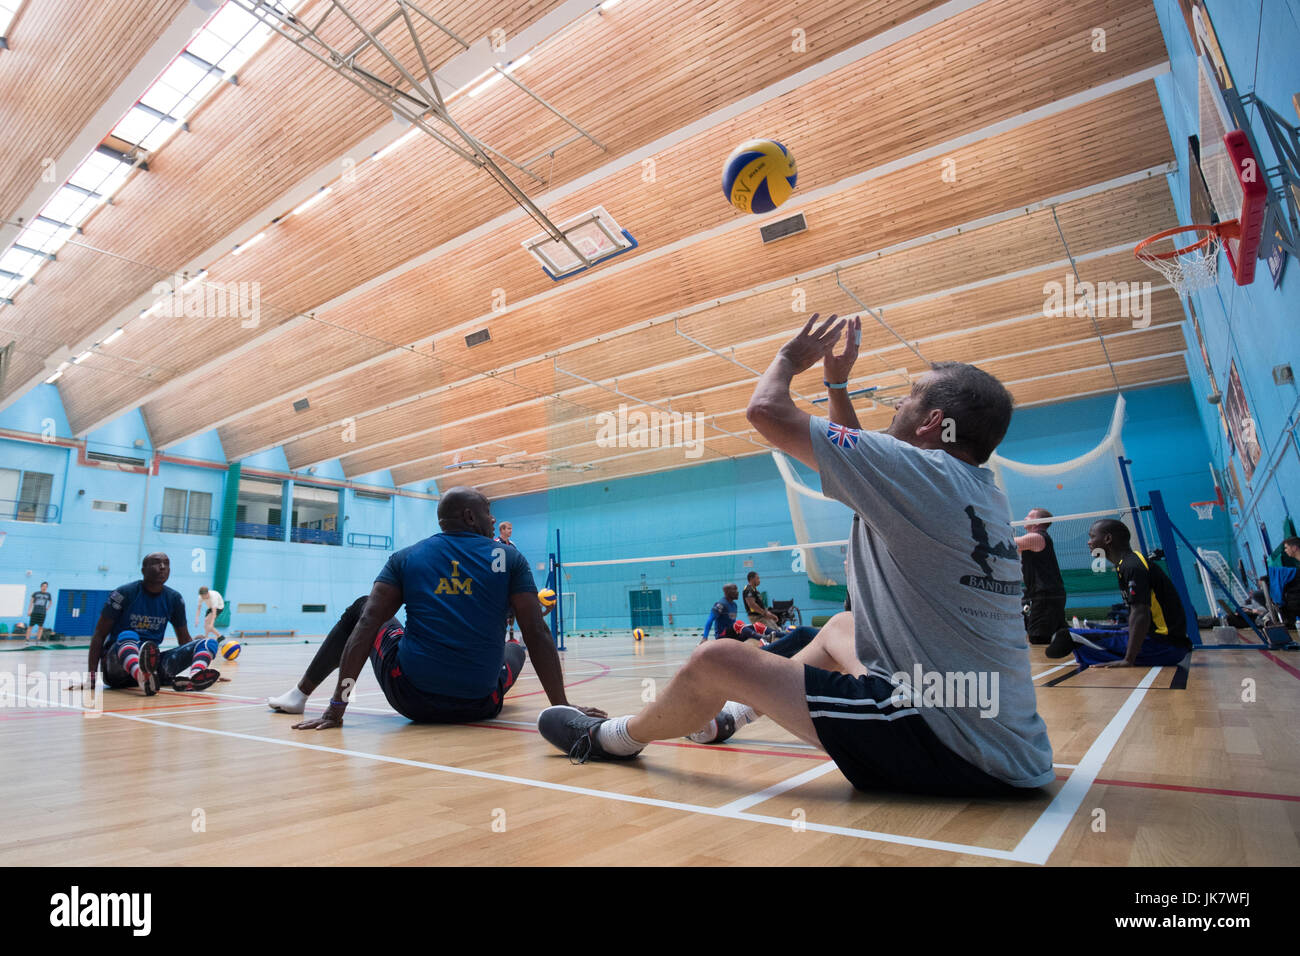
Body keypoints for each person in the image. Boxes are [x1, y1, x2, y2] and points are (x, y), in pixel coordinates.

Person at [537, 314, 1054, 797]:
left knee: (715, 659)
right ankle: (727, 720)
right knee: (838, 629)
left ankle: (611, 738)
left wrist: (789, 357)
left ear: (932, 422)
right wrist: (835, 386)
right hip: (1010, 746)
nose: (897, 405)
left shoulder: (920, 474)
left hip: (946, 746)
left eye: (909, 398)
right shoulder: (977, 492)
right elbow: (857, 464)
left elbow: (765, 410)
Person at [271, 487, 603, 727]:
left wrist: (336, 707)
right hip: (481, 705)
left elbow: (368, 625)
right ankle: (300, 694)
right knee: (515, 649)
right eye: (489, 513)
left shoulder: (407, 557)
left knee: (364, 609)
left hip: (412, 699)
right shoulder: (508, 557)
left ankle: (301, 694)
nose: (493, 521)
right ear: (471, 516)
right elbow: (537, 632)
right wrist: (563, 708)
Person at [1047, 520, 1192, 667]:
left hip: (1163, 645)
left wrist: (1128, 660)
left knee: (1070, 636)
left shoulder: (1132, 566)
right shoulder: (1126, 564)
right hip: (1166, 644)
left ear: (1108, 539)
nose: (1088, 542)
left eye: (1092, 537)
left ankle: (1126, 656)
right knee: (1098, 630)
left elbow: (1140, 613)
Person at [86, 553, 221, 695]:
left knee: (207, 643)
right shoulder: (123, 593)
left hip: (153, 668)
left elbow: (184, 640)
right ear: (143, 570)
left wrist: (202, 663)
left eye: (166, 563)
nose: (162, 567)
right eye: (156, 563)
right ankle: (141, 676)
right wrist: (92, 678)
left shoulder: (174, 599)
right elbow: (99, 635)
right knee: (128, 635)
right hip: (117, 668)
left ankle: (195, 677)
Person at [1015, 508, 1069, 646]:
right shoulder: (1033, 540)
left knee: (1038, 637)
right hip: (1047, 593)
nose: (1025, 518)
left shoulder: (1037, 537)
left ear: (1037, 522)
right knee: (1060, 632)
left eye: (1029, 516)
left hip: (1046, 594)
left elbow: (1009, 544)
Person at [495, 521, 520, 640]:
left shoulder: (513, 545)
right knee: (501, 612)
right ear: (502, 530)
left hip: (511, 583)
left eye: (511, 528)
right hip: (499, 584)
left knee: (512, 610)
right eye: (508, 529)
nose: (510, 531)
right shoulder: (494, 544)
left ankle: (511, 636)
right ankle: (499, 637)